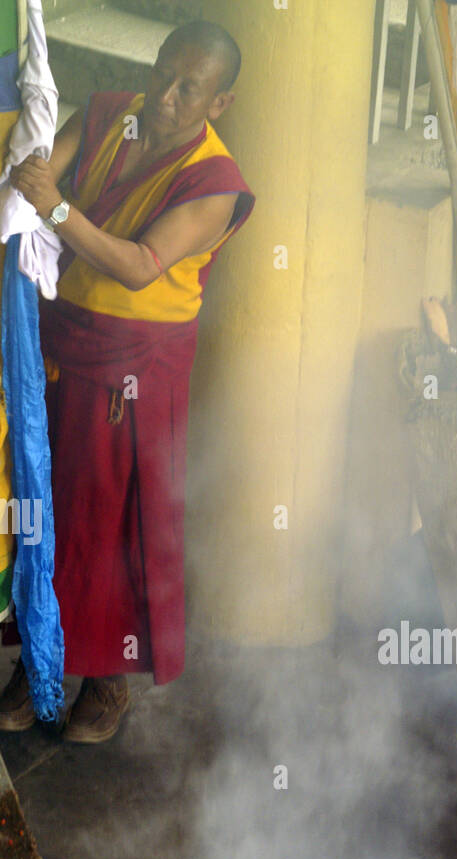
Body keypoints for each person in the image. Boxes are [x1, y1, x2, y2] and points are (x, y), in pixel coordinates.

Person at [0, 20, 254, 742]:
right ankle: (37, 662)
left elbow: (141, 265)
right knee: (40, 501)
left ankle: (106, 680)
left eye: (188, 89)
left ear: (220, 103)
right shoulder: (110, 113)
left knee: (108, 523)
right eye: (163, 74)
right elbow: (36, 166)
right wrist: (32, 180)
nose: (166, 96)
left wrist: (53, 206)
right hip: (59, 342)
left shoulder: (217, 184)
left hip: (132, 369)